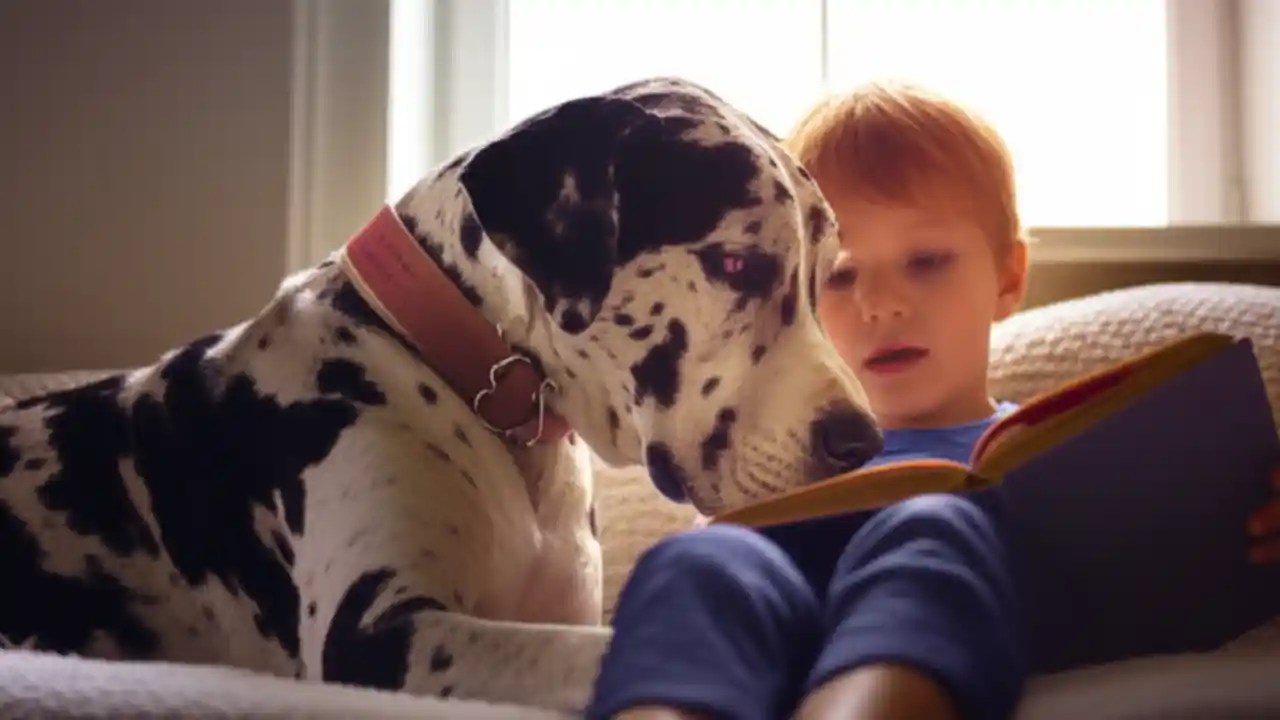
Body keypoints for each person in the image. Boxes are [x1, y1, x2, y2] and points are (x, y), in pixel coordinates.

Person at [584, 81, 1280, 720]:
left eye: (927, 262)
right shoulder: (765, 454)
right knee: (698, 563)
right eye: (840, 275)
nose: (881, 305)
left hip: (960, 611)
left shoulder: (1054, 452)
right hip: (780, 615)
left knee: (934, 527)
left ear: (1009, 277)